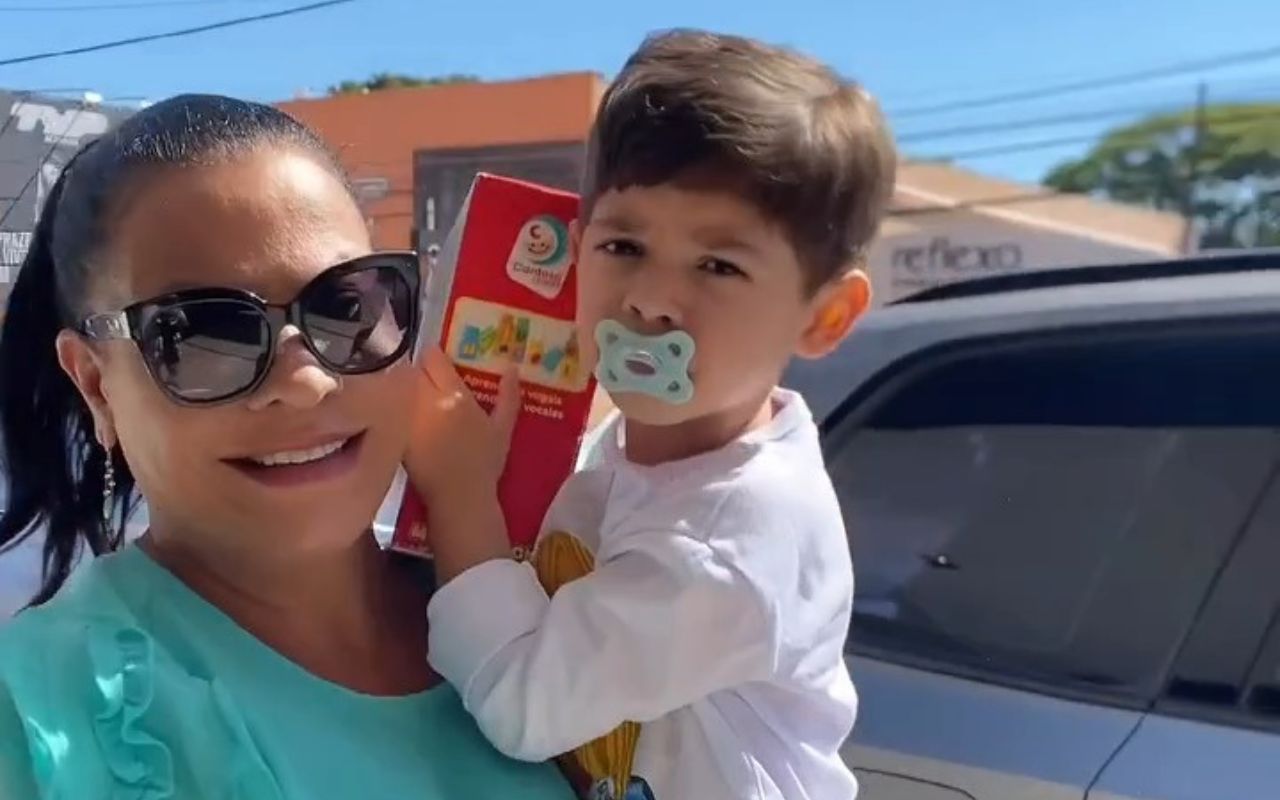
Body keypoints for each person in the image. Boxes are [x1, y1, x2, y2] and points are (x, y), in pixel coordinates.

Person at [0, 94, 574, 800]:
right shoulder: (41, 720)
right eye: (206, 332)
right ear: (95, 383)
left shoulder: (542, 614)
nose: (305, 383)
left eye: (346, 305)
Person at [406, 28, 897, 800]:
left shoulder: (728, 536)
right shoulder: (632, 453)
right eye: (624, 247)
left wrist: (459, 493)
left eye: (718, 265)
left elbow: (523, 702)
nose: (651, 300)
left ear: (825, 316)